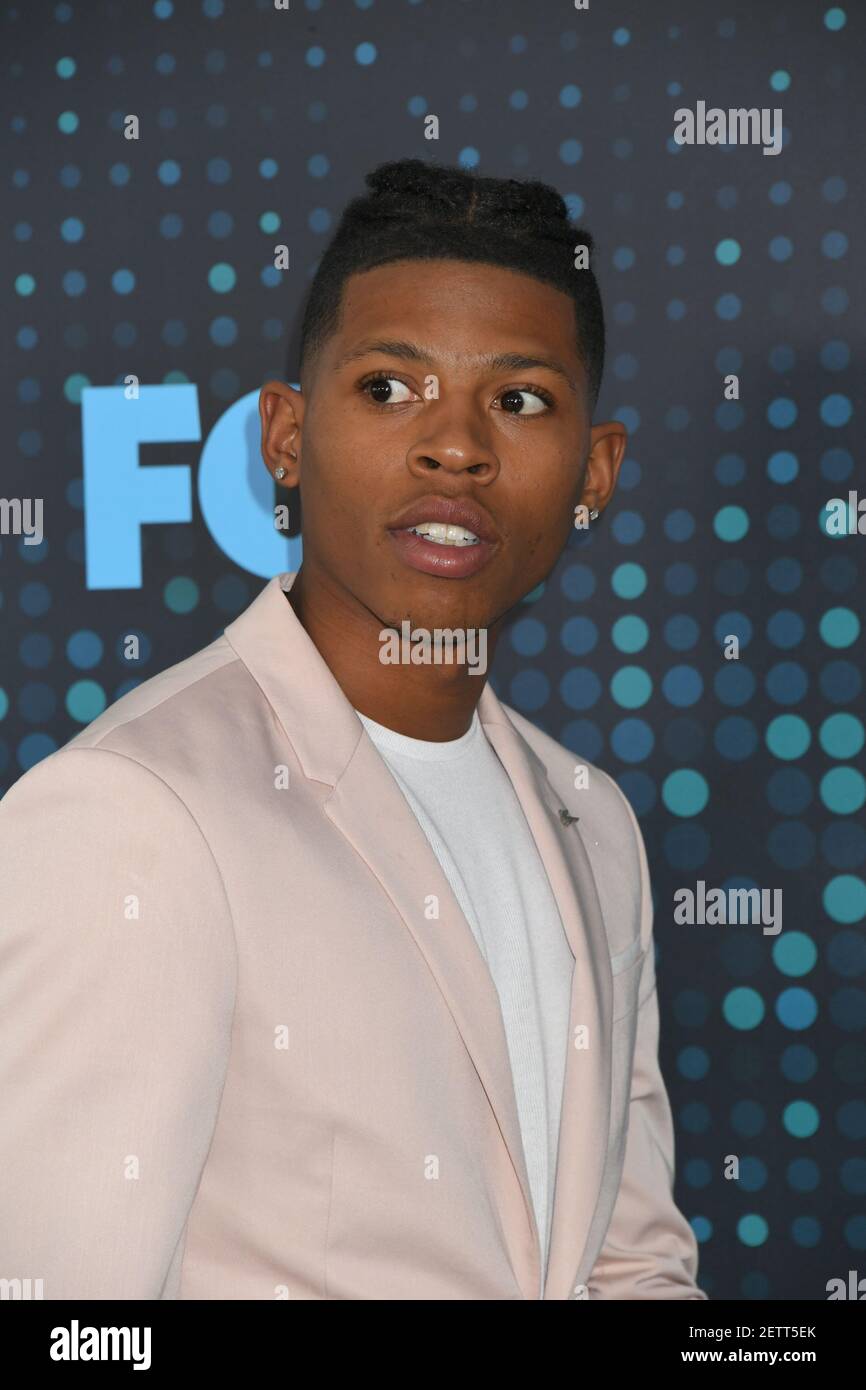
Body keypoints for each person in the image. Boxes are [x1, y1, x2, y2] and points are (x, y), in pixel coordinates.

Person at [0, 158, 706, 1300]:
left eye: (519, 399)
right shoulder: (137, 816)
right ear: (283, 435)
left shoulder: (592, 821)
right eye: (390, 387)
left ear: (596, 469)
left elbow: (625, 1261)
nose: (455, 448)